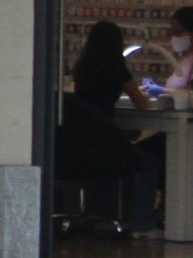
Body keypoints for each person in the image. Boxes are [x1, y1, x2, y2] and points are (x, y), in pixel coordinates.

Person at [60, 19, 164, 235]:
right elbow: (141, 103)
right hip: (104, 140)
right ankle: (141, 223)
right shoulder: (116, 66)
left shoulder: (83, 67)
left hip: (79, 144)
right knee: (149, 163)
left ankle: (104, 212)